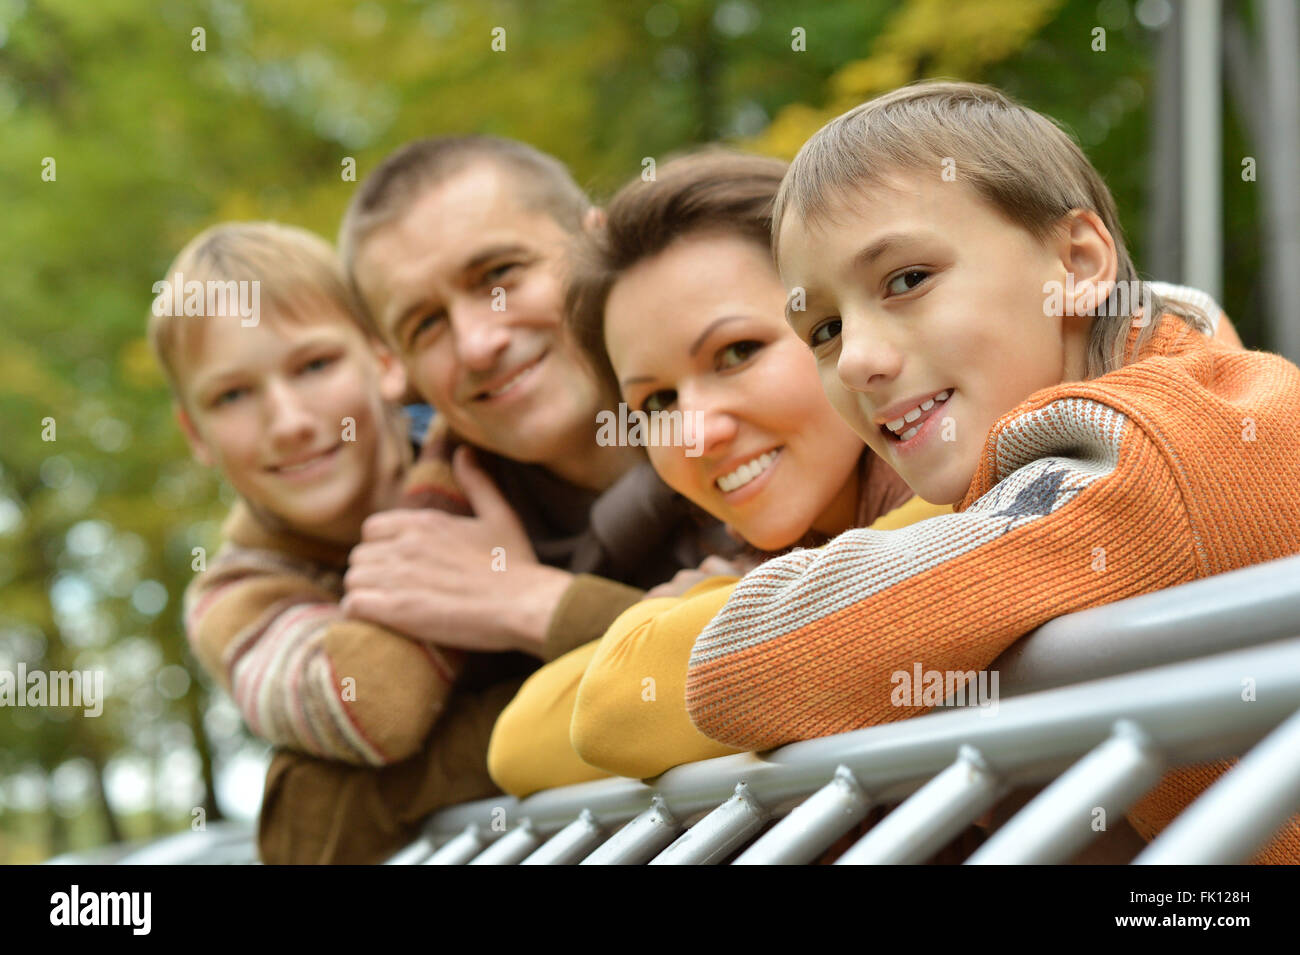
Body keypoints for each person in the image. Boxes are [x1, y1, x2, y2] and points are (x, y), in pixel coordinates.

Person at [682, 81, 1300, 862]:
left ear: (1078, 261)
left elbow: (737, 671)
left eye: (907, 280)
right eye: (825, 330)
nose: (861, 362)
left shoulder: (1132, 454)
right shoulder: (1207, 389)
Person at [257, 137, 735, 863]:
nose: (478, 342)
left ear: (596, 241)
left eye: (499, 275)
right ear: (396, 367)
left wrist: (530, 604)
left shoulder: (760, 390)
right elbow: (311, 812)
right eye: (426, 323)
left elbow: (811, 650)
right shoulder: (433, 537)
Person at [486, 152, 950, 797]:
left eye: (736, 353)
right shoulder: (753, 548)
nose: (696, 433)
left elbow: (615, 710)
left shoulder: (972, 487)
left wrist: (704, 605)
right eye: (658, 402)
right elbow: (519, 745)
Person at [150, 222, 466, 768]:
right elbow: (372, 709)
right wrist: (449, 489)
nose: (289, 422)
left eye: (315, 365)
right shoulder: (235, 599)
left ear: (384, 359)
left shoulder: (495, 438)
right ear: (196, 434)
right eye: (232, 396)